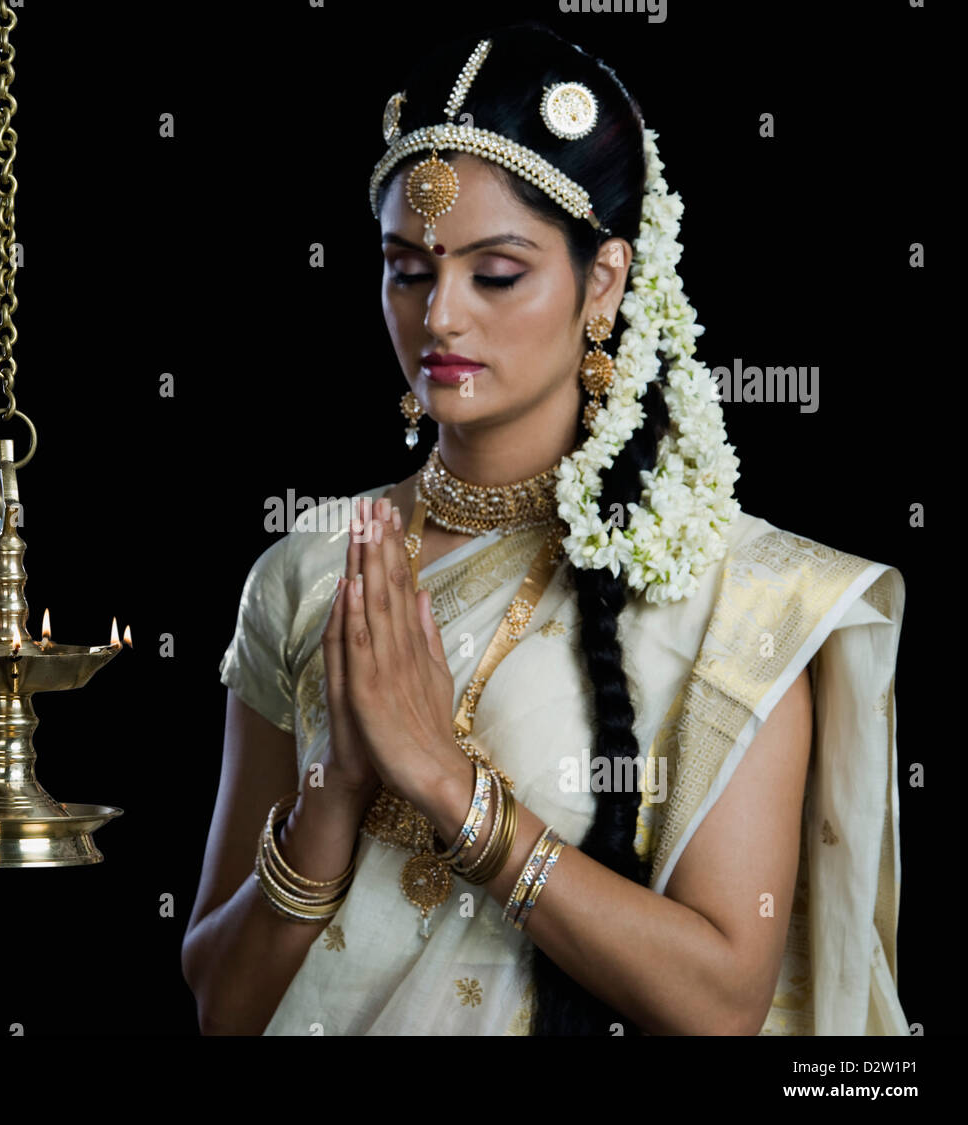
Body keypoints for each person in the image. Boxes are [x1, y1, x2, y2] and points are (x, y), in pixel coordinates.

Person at [181, 21, 906, 1036]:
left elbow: (719, 1002)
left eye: (497, 273)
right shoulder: (306, 574)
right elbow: (221, 1001)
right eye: (406, 269)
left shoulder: (732, 590)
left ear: (601, 280)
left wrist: (446, 786)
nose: (439, 317)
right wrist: (332, 795)